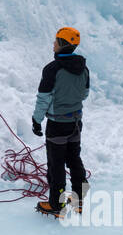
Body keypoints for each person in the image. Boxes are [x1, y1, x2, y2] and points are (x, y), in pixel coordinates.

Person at [30, 27, 91, 216]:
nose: (53, 44)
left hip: (57, 125)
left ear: (62, 44)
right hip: (75, 122)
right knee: (74, 159)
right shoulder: (83, 68)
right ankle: (79, 200)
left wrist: (37, 120)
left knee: (56, 165)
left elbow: (43, 98)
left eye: (56, 41)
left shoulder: (52, 69)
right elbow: (85, 93)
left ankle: (57, 205)